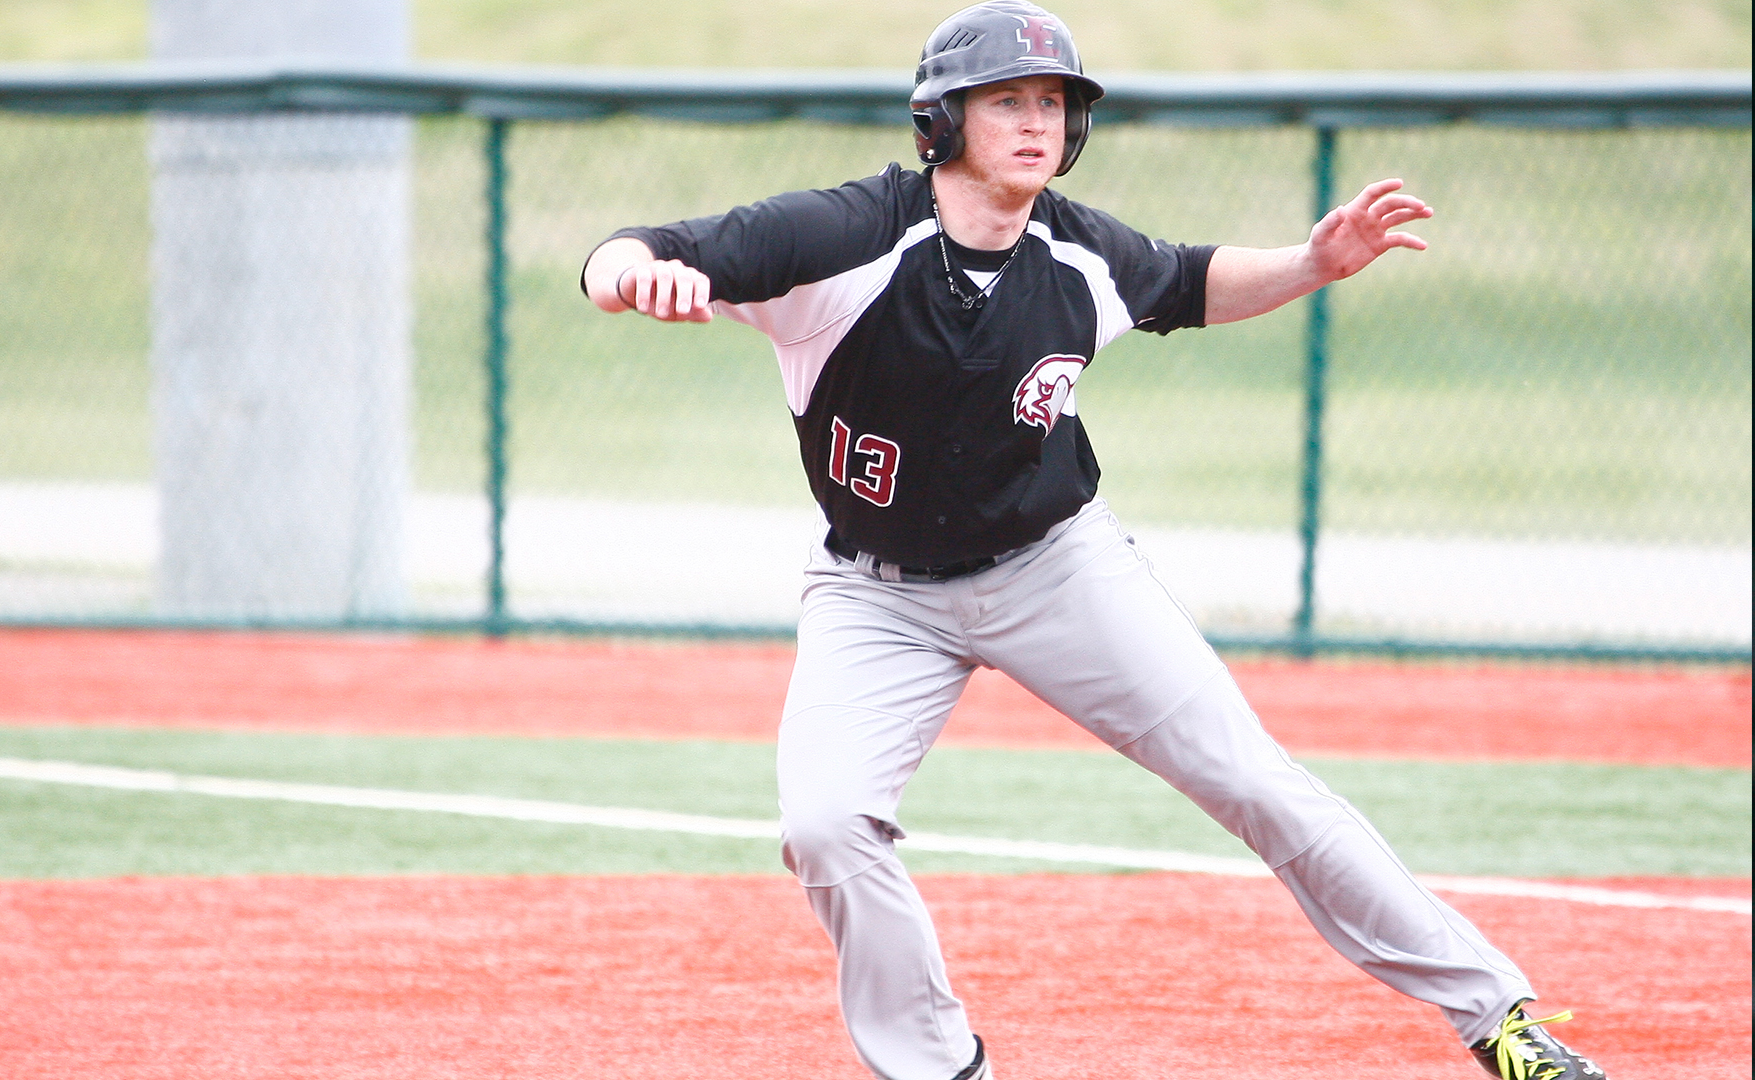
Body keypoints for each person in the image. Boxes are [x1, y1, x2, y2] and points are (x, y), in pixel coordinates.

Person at [580, 4, 1608, 1078]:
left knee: (1253, 779)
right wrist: (631, 277)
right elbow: (639, 249)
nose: (1036, 121)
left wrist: (1313, 262)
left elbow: (1192, 281)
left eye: (1052, 102)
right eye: (1007, 101)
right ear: (942, 119)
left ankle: (1500, 1021)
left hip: (1055, 569)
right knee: (826, 826)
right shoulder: (847, 236)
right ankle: (939, 1066)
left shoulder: (1076, 253)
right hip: (876, 595)